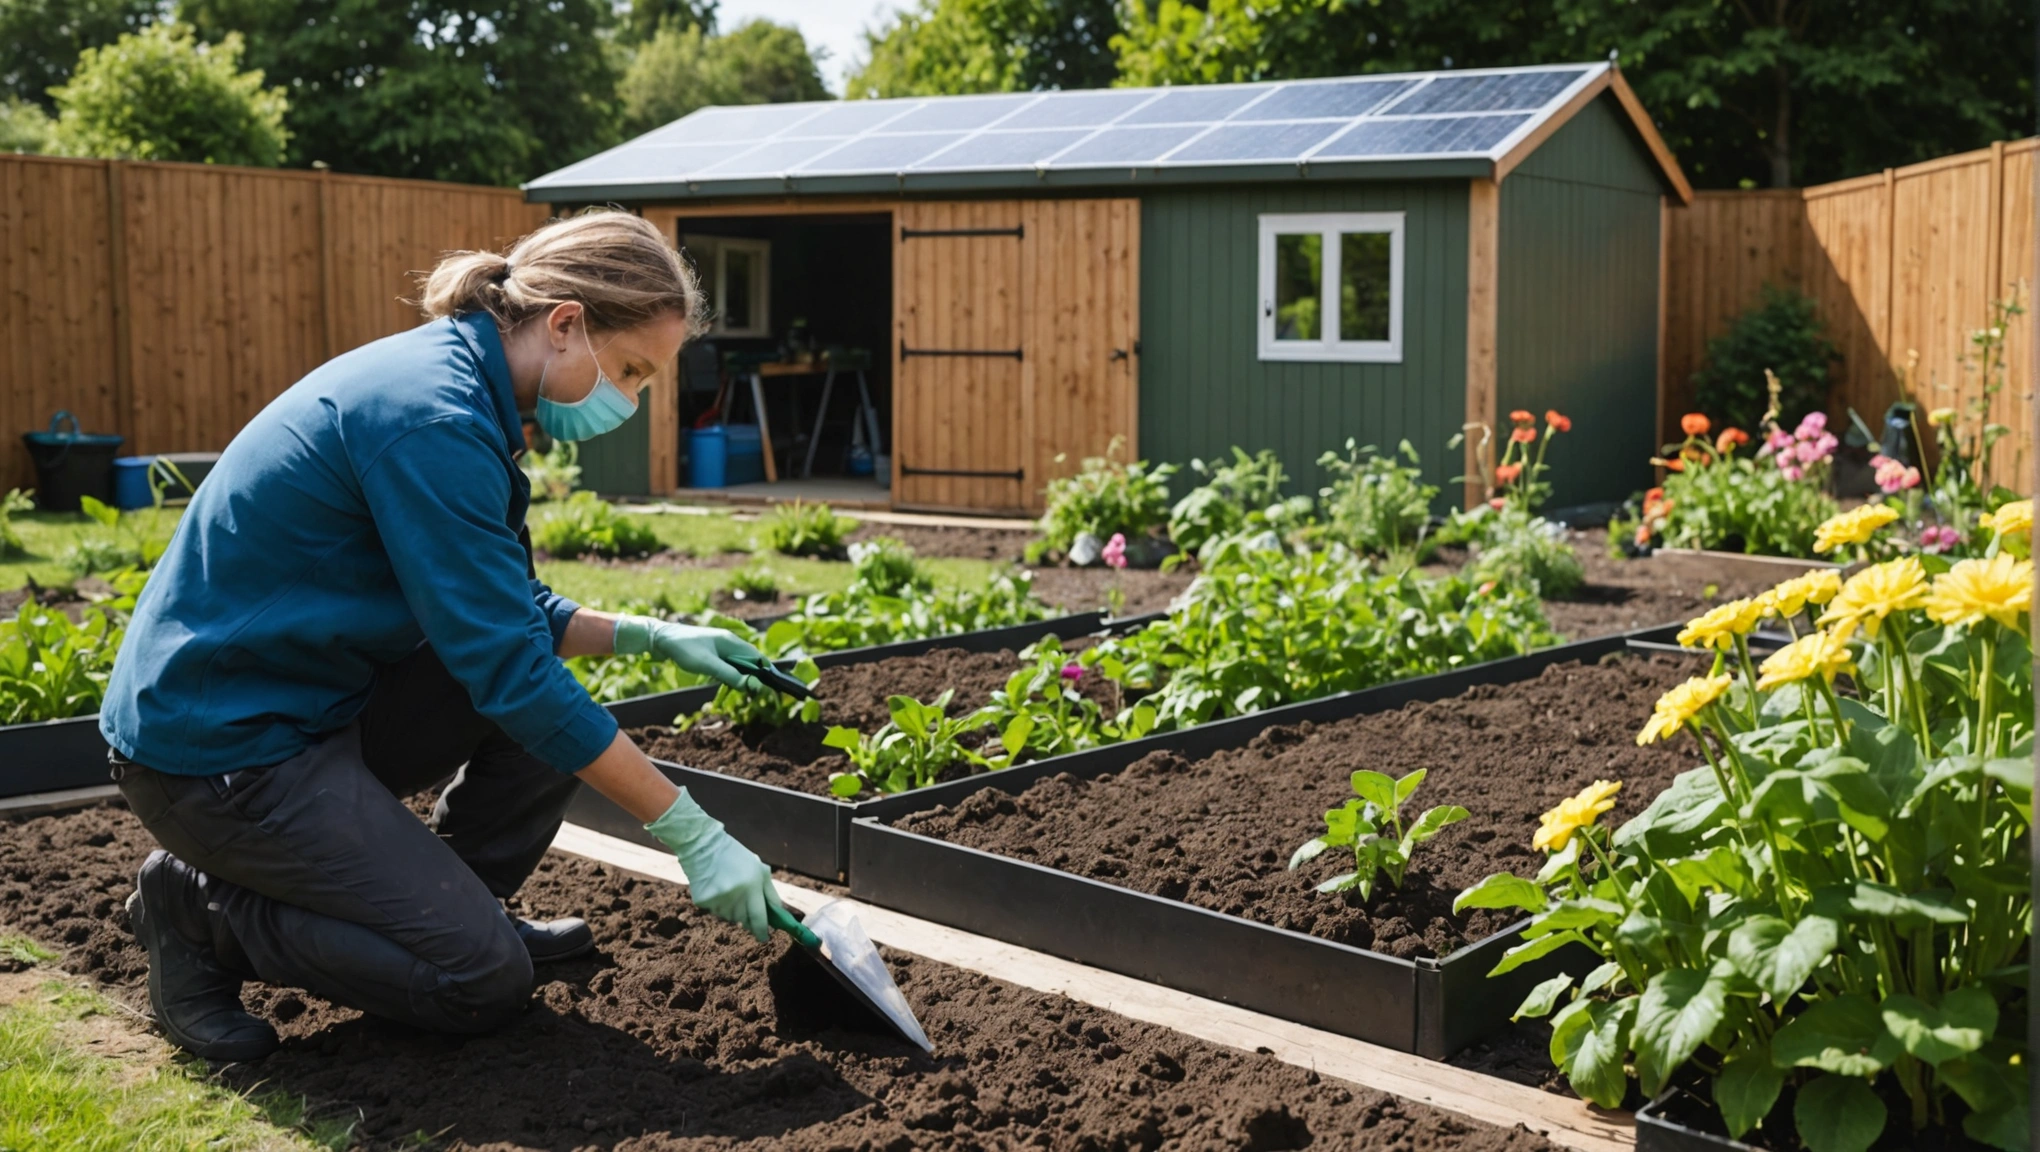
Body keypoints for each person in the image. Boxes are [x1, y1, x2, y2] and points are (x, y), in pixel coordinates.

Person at [101, 211, 789, 1062]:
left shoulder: (462, 391)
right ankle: (199, 910)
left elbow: (502, 614)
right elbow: (510, 670)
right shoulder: (432, 418)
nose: (633, 400)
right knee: (481, 983)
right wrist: (694, 833)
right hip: (218, 754)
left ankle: (451, 911)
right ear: (566, 324)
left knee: (537, 717)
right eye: (633, 371)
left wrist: (653, 636)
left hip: (307, 709)